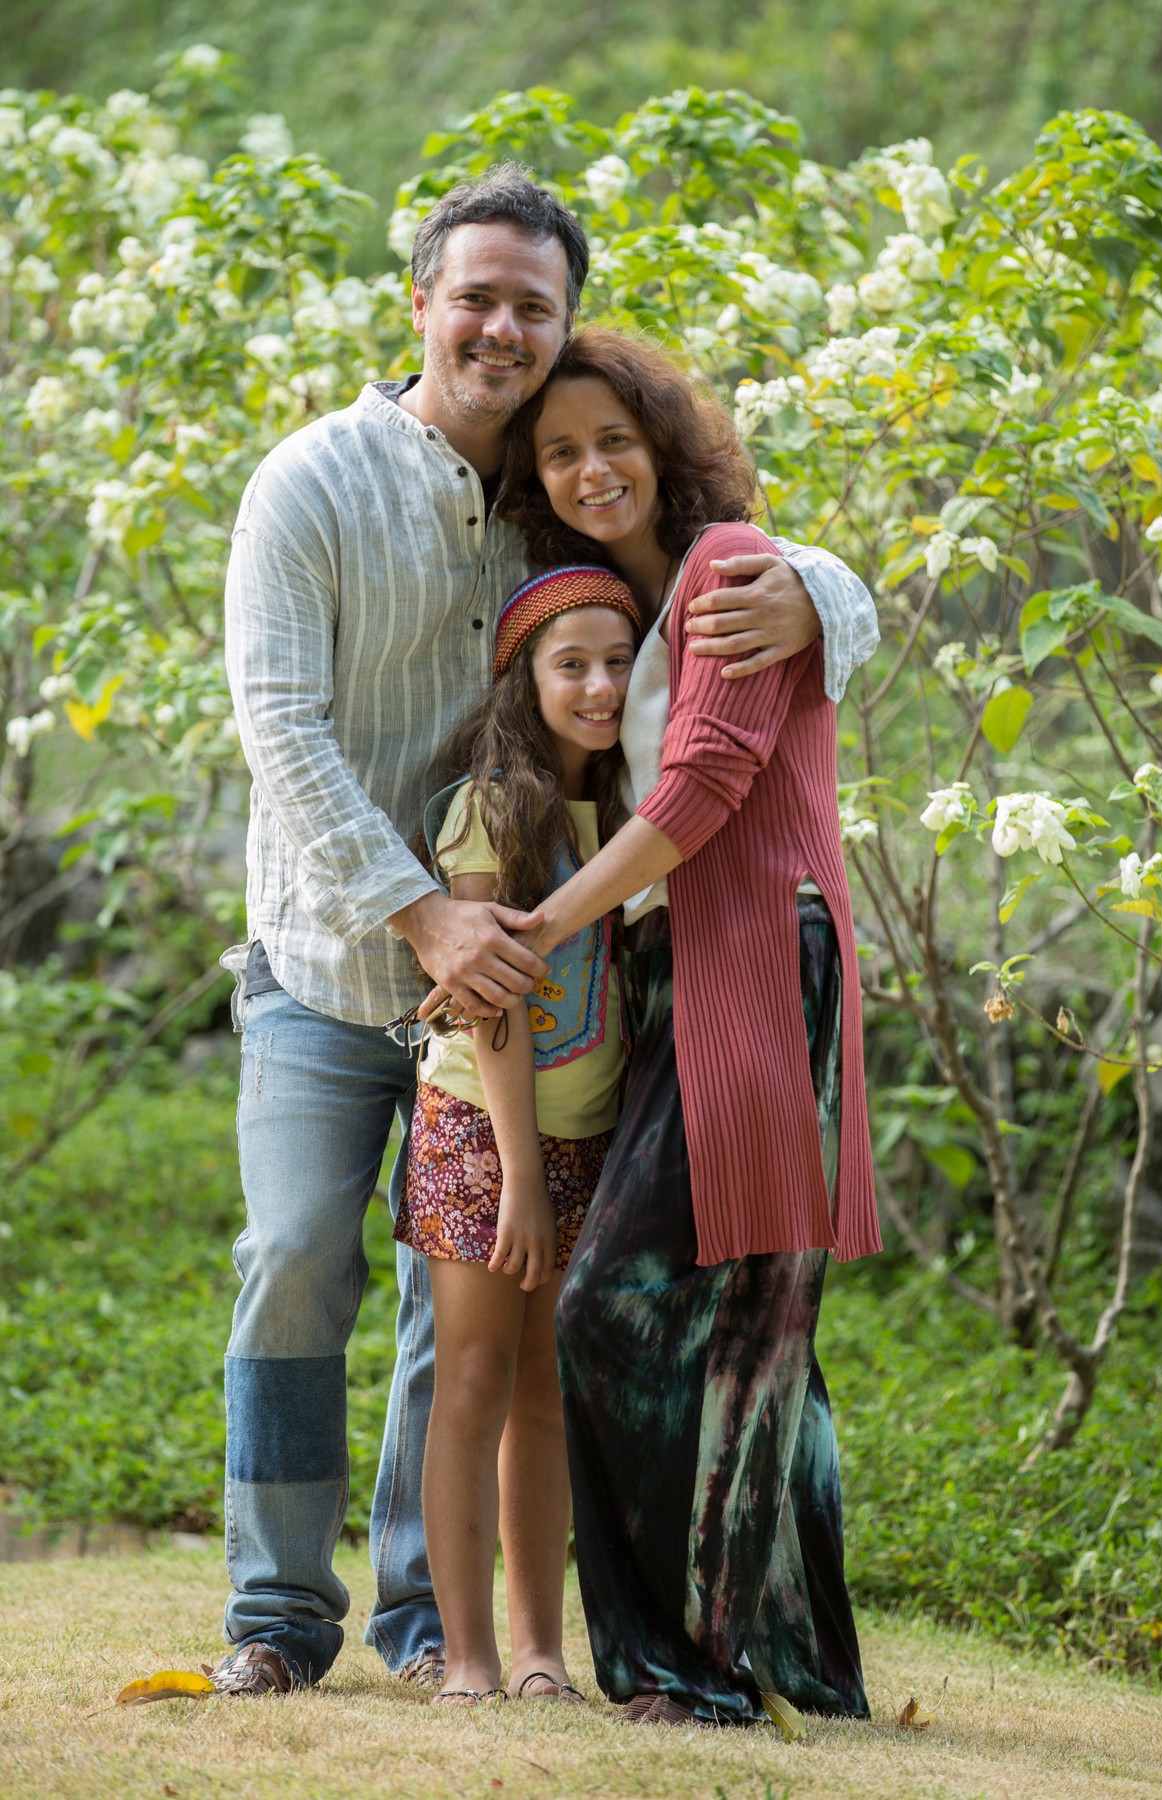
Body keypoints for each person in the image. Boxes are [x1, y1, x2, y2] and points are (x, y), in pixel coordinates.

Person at [213, 162, 880, 1697]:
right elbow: (280, 727)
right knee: (296, 1255)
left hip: (543, 986)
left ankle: (429, 1625)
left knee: (470, 1317)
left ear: (566, 322)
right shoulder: (311, 480)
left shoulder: (553, 487)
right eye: (477, 298)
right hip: (336, 961)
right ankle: (276, 1615)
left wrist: (827, 596)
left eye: (535, 305)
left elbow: (712, 554)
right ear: (421, 304)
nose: (502, 329)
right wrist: (423, 911)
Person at [493, 326, 883, 1726]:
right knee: (760, 1325)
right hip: (679, 964)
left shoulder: (729, 570)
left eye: (615, 439)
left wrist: (542, 926)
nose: (592, 468)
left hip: (763, 950)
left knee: (613, 1305)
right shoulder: (628, 606)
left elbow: (708, 783)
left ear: (665, 446)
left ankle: (679, 1666)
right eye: (560, 451)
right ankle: (801, 1667)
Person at [393, 565, 640, 1706]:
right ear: (523, 680)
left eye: (618, 662)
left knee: (547, 1387)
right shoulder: (493, 809)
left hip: (592, 1133)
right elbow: (490, 1009)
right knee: (475, 1375)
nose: (599, 686)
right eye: (570, 664)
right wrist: (525, 1179)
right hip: (482, 1133)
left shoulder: (635, 806)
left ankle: (542, 1651)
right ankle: (470, 1657)